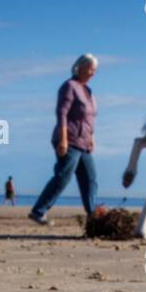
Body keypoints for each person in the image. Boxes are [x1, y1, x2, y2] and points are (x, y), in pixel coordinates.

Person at [29, 54, 99, 228]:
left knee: (90, 179)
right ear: (80, 67)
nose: (93, 73)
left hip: (84, 143)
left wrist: (92, 138)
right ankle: (38, 211)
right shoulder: (69, 86)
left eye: (95, 70)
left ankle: (93, 215)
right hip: (70, 140)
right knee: (63, 176)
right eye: (90, 69)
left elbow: (90, 118)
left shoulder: (88, 91)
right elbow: (62, 114)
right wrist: (63, 139)